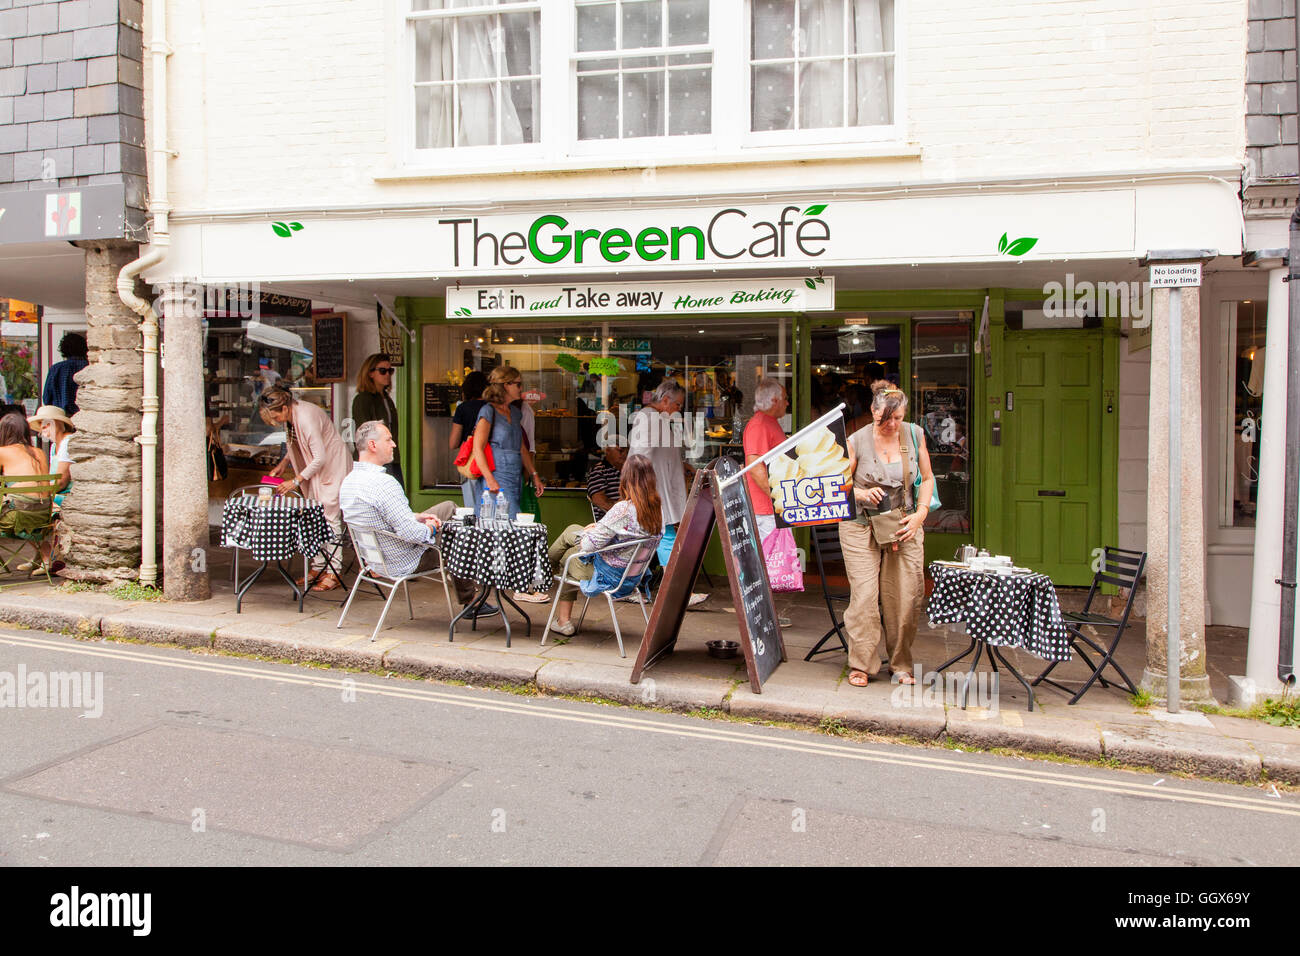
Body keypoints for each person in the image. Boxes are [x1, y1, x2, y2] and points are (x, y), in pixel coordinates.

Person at [839, 382, 935, 687]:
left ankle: (901, 664)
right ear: (873, 411)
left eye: (898, 418)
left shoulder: (914, 434)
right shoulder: (856, 440)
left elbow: (928, 478)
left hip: (904, 524)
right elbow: (837, 484)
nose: (892, 424)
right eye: (885, 419)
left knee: (905, 597)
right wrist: (861, 494)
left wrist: (920, 515)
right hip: (861, 525)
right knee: (865, 597)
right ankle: (862, 664)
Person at [340, 421, 477, 607]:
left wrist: (416, 517)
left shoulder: (349, 482)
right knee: (458, 535)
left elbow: (379, 518)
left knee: (449, 508)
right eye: (388, 440)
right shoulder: (384, 483)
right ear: (372, 445)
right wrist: (432, 528)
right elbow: (412, 534)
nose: (394, 444)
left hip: (376, 560)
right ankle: (472, 601)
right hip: (404, 560)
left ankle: (469, 593)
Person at [546, 454, 662, 636]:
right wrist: (598, 528)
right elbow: (624, 533)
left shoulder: (623, 509)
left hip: (609, 577)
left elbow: (588, 546)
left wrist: (590, 531)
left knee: (568, 557)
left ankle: (561, 617)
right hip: (632, 577)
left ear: (626, 479)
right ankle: (543, 569)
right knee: (572, 530)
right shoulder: (656, 510)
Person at [260, 385, 353, 591]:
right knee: (312, 516)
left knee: (329, 517)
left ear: (285, 408)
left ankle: (334, 571)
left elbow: (320, 458)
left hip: (332, 466)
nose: (276, 421)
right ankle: (318, 567)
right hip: (315, 468)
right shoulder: (292, 416)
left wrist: (294, 481)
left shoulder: (305, 418)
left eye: (276, 416)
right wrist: (284, 463)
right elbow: (299, 443)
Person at [628, 380, 707, 608]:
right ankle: (678, 592)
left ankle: (627, 587)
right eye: (678, 405)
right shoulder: (650, 419)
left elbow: (661, 454)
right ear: (665, 400)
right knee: (664, 537)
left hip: (658, 490)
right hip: (653, 491)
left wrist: (682, 466)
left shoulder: (657, 419)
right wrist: (640, 491)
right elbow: (639, 457)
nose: (678, 409)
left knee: (645, 540)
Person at [470, 366, 543, 521]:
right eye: (518, 384)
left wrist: (534, 474)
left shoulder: (515, 413)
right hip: (496, 475)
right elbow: (478, 448)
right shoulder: (488, 411)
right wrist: (489, 479)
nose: (521, 388)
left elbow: (522, 448)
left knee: (512, 520)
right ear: (506, 385)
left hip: (515, 477)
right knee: (500, 521)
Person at [0, 412, 56, 574]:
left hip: (18, 516)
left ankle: (45, 555)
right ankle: (44, 556)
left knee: (18, 511)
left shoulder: (2, 452)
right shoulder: (39, 452)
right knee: (25, 511)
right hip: (43, 514)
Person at [352, 353, 402, 485]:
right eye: (382, 371)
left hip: (389, 456)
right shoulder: (363, 399)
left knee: (396, 491)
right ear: (370, 373)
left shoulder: (386, 398)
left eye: (390, 371)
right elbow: (364, 434)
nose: (387, 374)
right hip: (373, 461)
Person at [448, 370, 489, 509]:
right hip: (491, 462)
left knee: (471, 509)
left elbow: (453, 443)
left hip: (470, 463)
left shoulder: (463, 409)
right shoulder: (493, 408)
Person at [28, 406, 74, 503]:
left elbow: (61, 482)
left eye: (47, 423)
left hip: (68, 497)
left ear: (59, 424)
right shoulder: (54, 446)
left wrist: (36, 492)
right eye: (40, 423)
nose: (43, 427)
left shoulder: (67, 442)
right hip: (55, 493)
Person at [42, 332, 88, 417]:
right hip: (85, 416)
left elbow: (47, 398)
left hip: (61, 417)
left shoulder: (56, 369)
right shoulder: (88, 368)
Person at [586, 442, 625, 520]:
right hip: (609, 521)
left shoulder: (631, 470)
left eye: (626, 450)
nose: (624, 454)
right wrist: (623, 511)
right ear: (607, 451)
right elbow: (599, 501)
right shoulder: (599, 471)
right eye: (620, 450)